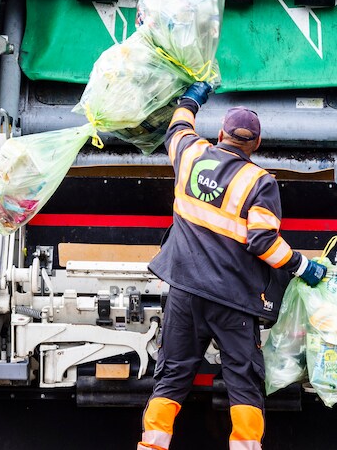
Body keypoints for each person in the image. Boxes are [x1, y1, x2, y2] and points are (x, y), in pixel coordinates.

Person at [140, 82, 327, 450]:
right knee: (243, 380)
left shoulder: (192, 155)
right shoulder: (260, 182)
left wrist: (191, 99)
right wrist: (303, 265)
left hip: (185, 293)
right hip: (232, 302)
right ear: (256, 145)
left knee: (172, 376)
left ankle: (151, 447)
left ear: (221, 134)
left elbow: (177, 128)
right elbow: (263, 243)